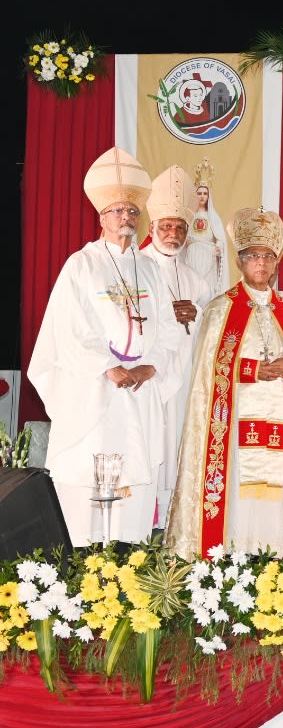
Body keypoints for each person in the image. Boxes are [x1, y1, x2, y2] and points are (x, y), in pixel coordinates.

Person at [28, 147, 178, 545]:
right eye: (117, 211)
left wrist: (151, 367)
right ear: (101, 218)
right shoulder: (82, 264)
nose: (126, 217)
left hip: (139, 388)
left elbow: (166, 329)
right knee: (89, 470)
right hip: (94, 389)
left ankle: (128, 551)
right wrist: (107, 366)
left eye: (132, 211)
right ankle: (85, 553)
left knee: (134, 470)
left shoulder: (149, 268)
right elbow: (70, 327)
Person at [166, 207, 283, 558]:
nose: (261, 263)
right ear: (240, 261)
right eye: (253, 256)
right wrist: (252, 370)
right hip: (236, 414)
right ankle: (234, 547)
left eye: (267, 257)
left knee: (272, 484)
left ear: (276, 262)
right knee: (241, 484)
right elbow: (208, 368)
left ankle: (271, 548)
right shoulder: (221, 308)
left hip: (277, 413)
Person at [142, 165, 216, 527]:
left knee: (180, 444)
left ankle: (176, 519)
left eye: (179, 228)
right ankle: (148, 520)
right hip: (151, 377)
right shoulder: (137, 268)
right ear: (152, 228)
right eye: (166, 226)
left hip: (185, 378)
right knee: (152, 445)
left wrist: (197, 311)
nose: (173, 233)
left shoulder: (193, 279)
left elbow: (210, 327)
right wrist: (164, 313)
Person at [184, 169, 227, 295]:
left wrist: (219, 247)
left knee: (207, 289)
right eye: (199, 193)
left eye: (205, 193)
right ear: (195, 195)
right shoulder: (189, 215)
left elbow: (220, 238)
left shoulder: (213, 217)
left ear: (209, 196)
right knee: (192, 288)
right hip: (192, 256)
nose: (202, 196)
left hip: (209, 256)